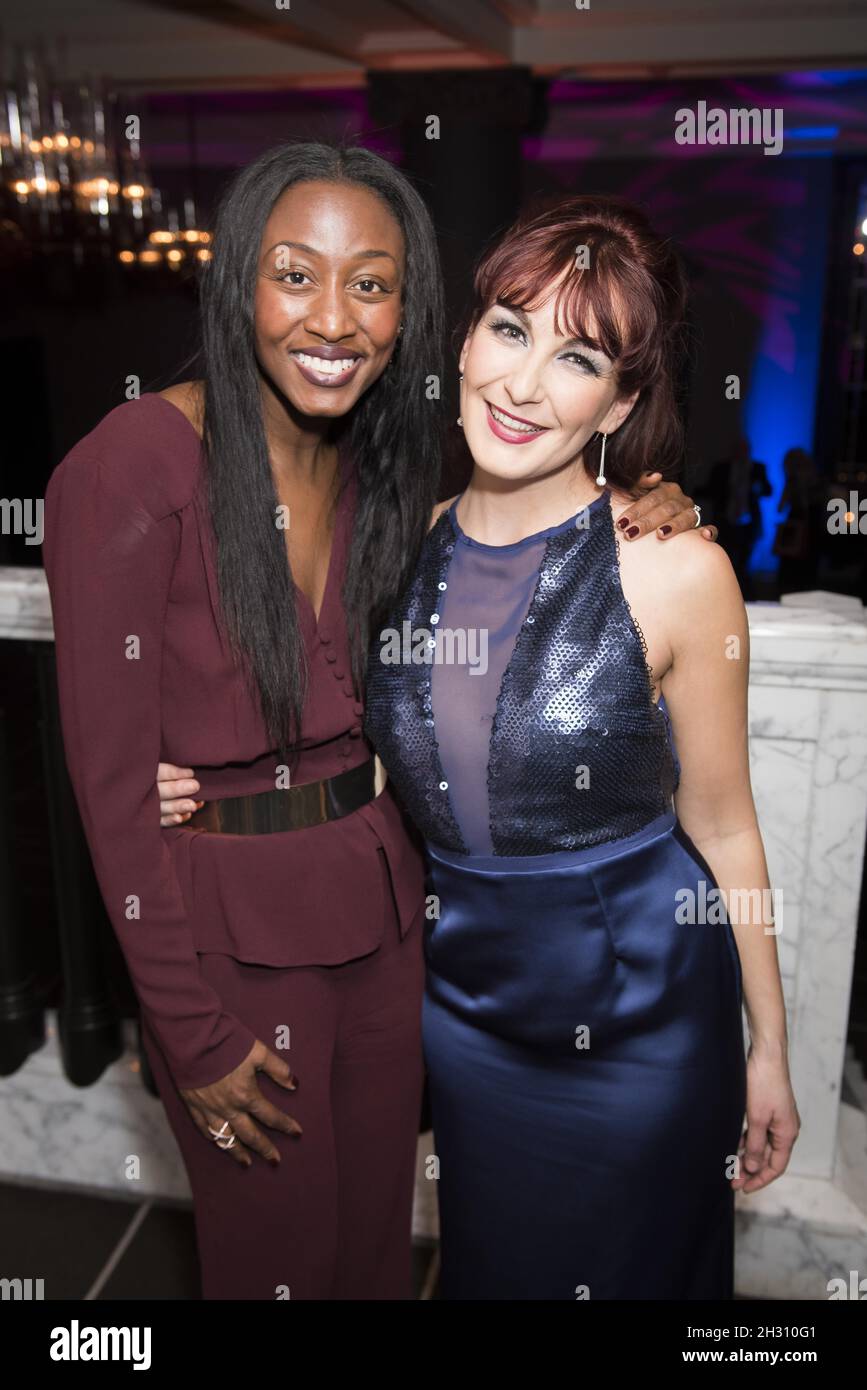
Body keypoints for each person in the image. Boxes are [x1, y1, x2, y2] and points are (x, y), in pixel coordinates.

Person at [46, 140, 709, 1301]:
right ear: (239, 277)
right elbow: (109, 791)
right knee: (276, 1266)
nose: (334, 318)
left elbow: (544, 476)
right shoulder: (132, 467)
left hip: (394, 930)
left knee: (373, 1257)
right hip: (232, 947)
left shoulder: (390, 462)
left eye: (373, 283)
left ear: (410, 314)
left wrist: (646, 490)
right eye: (296, 274)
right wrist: (187, 1028)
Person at [363, 195, 799, 1300]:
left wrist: (770, 1045)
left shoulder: (676, 568)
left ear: (623, 399)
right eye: (509, 330)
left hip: (643, 1023)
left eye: (578, 357)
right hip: (469, 1018)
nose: (522, 385)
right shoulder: (415, 544)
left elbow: (724, 824)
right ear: (463, 342)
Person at [704, 433, 772, 596]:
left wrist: (755, 488)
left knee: (744, 561)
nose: (741, 453)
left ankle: (745, 596)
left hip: (748, 521)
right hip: (725, 519)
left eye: (744, 449)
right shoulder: (722, 468)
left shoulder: (757, 468)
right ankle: (725, 595)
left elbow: (768, 490)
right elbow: (710, 490)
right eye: (738, 449)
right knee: (725, 560)